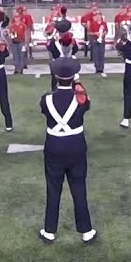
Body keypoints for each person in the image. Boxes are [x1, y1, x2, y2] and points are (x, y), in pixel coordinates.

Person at [38, 57, 96, 244]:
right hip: (76, 146)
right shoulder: (81, 99)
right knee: (79, 188)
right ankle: (86, 230)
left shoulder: (46, 99)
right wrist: (77, 83)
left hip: (54, 146)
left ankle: (49, 231)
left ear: (55, 75)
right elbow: (85, 102)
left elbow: (46, 109)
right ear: (73, 76)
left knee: (53, 188)